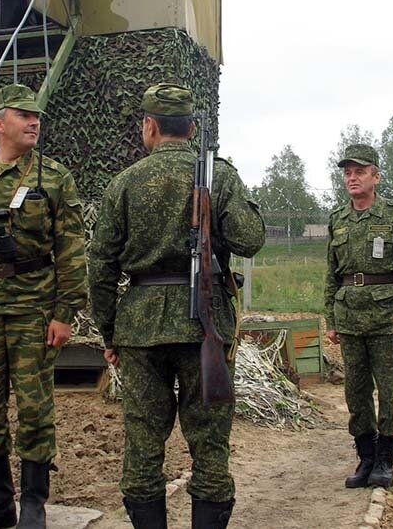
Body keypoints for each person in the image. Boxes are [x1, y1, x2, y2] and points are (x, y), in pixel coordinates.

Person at [89, 83, 265, 529]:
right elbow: (250, 239)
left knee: (143, 442)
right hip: (202, 324)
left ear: (149, 126)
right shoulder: (218, 175)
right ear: (190, 127)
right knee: (209, 443)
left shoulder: (123, 183)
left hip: (139, 328)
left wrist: (110, 333)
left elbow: (101, 267)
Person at [0, 84, 87, 529]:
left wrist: (65, 313)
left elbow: (72, 249)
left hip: (33, 310)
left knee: (34, 408)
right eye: (24, 116)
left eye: (36, 117)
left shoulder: (53, 177)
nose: (33, 122)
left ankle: (33, 507)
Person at [324, 143, 393, 490]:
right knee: (355, 392)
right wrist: (332, 319)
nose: (352, 178)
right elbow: (331, 273)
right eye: (347, 172)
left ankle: (385, 460)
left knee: (389, 390)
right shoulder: (337, 219)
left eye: (360, 171)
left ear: (375, 176)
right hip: (349, 316)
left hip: (386, 316)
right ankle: (366, 458)